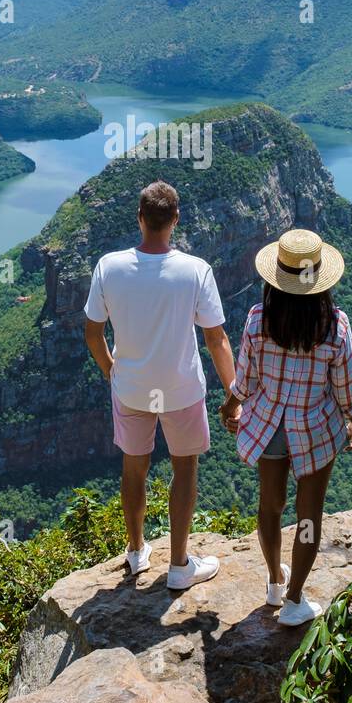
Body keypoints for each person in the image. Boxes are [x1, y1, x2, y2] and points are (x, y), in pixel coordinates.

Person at [84, 180, 237, 589]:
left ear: (140, 218)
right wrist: (234, 394)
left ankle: (136, 552)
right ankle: (180, 565)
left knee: (134, 467)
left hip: (131, 388)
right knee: (184, 468)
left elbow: (92, 332)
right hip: (181, 388)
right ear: (176, 219)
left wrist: (111, 370)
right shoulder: (195, 270)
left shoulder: (109, 266)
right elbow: (216, 338)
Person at [220, 228, 352, 627]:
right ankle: (295, 599)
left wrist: (230, 406)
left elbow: (246, 380)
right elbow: (345, 387)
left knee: (270, 505)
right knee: (308, 515)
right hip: (314, 429)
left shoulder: (257, 318)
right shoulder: (336, 326)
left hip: (268, 427)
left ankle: (273, 580)